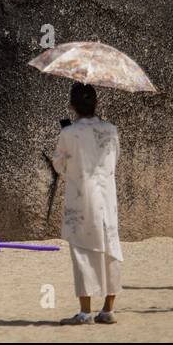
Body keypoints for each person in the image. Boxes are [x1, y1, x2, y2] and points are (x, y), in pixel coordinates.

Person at [52, 82, 122, 324]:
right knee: (110, 249)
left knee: (82, 252)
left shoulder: (68, 133)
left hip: (81, 199)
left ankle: (85, 312)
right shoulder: (111, 130)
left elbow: (59, 165)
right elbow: (114, 160)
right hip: (106, 197)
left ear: (72, 106)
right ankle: (108, 309)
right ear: (96, 103)